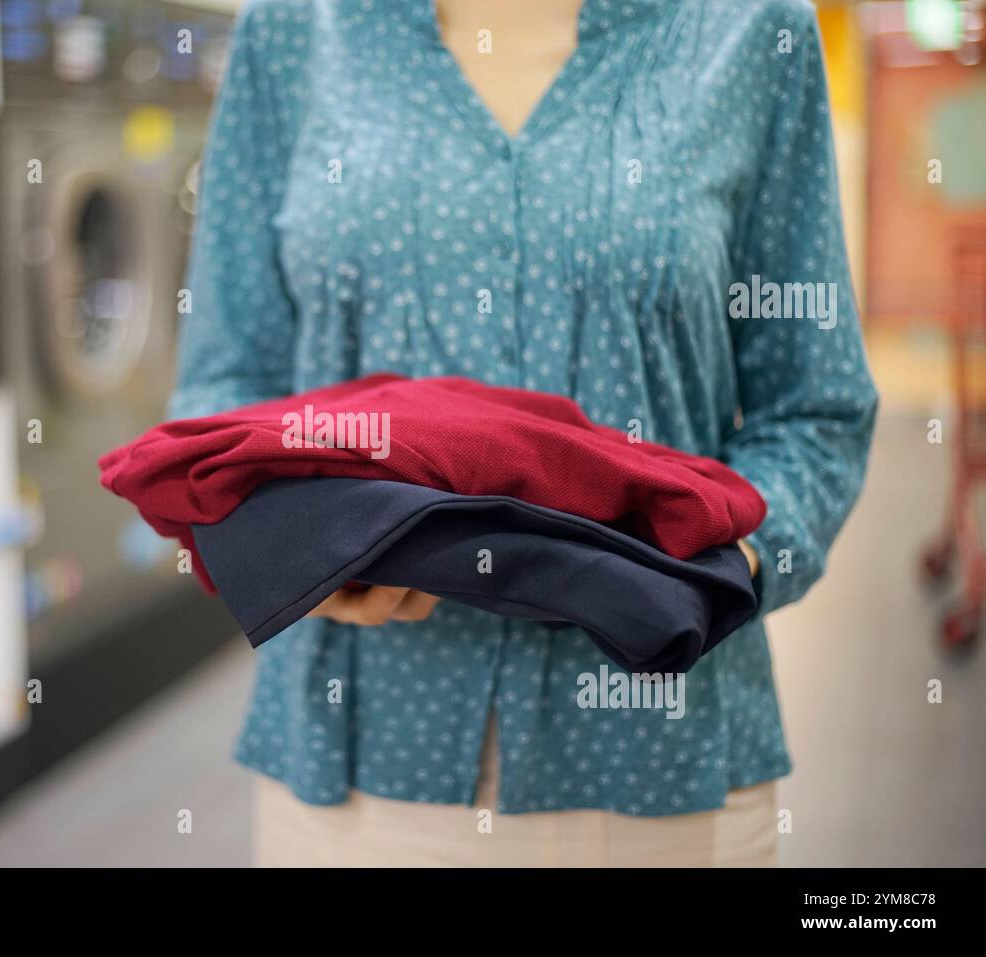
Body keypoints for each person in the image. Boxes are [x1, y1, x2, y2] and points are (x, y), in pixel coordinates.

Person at [169, 0, 878, 866]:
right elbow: (223, 388)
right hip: (354, 772)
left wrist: (717, 577)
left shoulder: (749, 30)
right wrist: (300, 546)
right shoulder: (292, 31)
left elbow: (818, 407)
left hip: (664, 770)